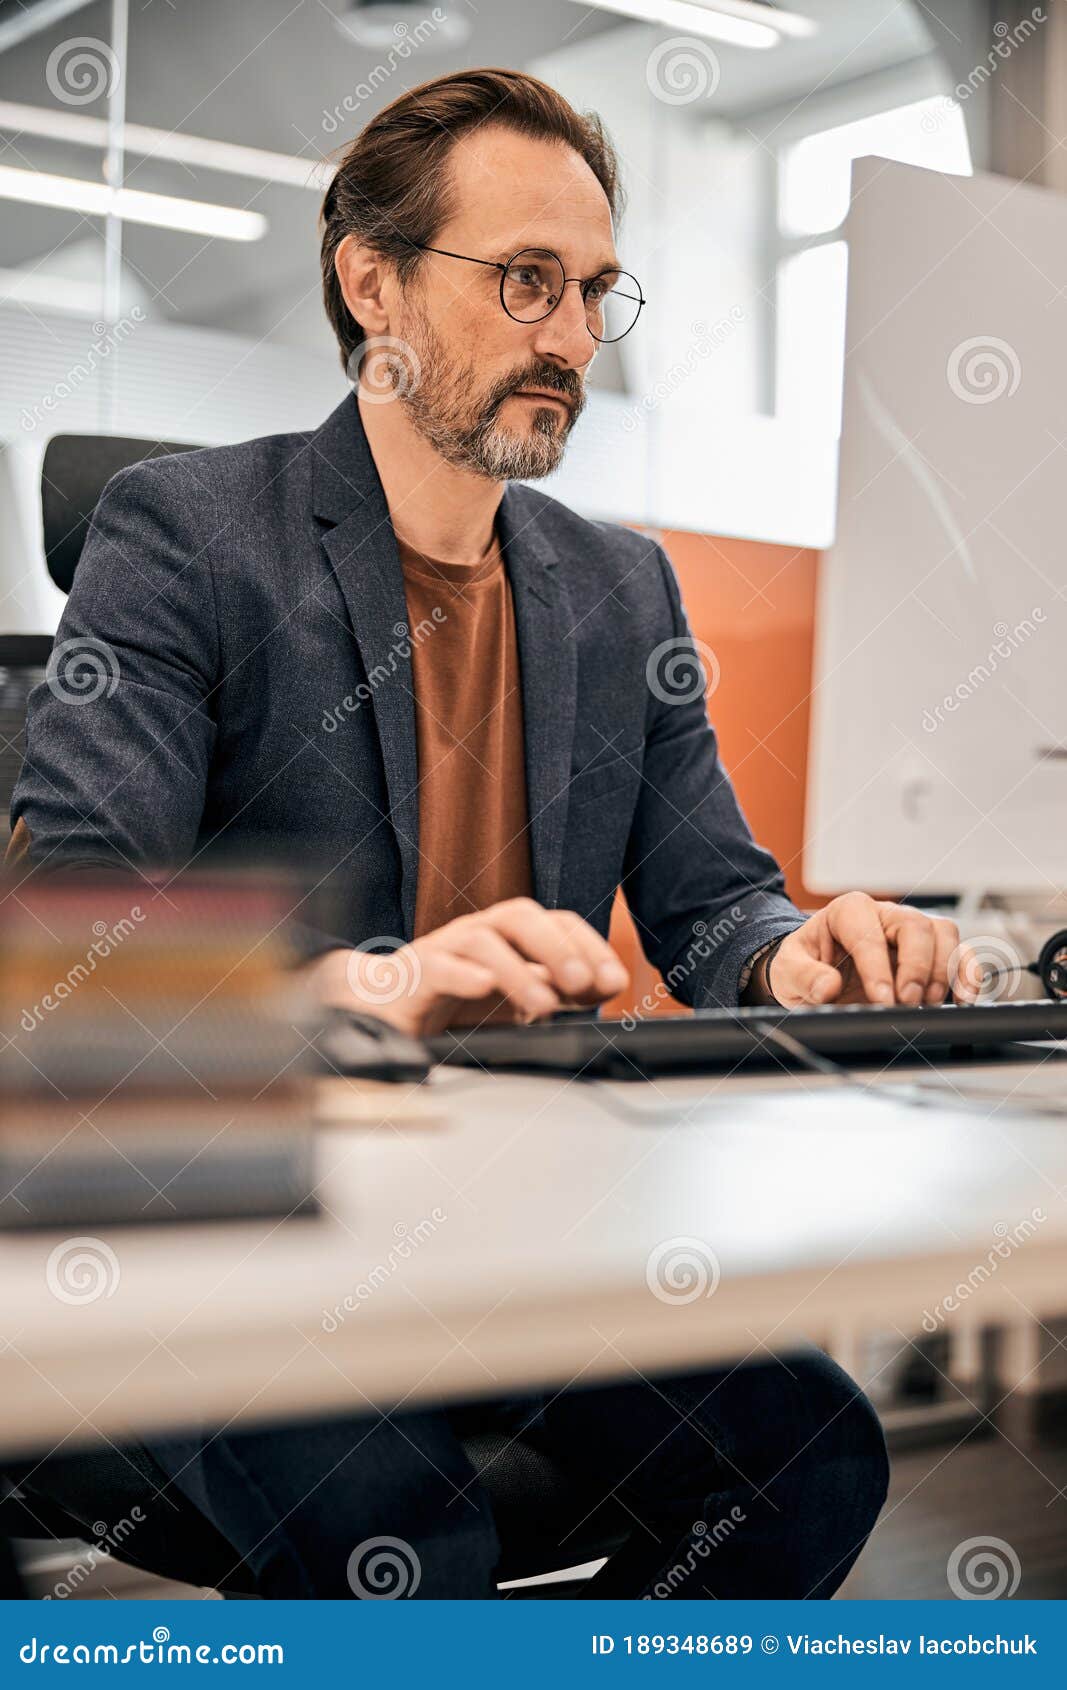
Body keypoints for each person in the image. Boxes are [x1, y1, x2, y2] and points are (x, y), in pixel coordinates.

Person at [11, 67, 979, 1599]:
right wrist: (383, 985)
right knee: (409, 1535)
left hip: (519, 1237)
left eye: (597, 291)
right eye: (528, 280)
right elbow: (70, 957)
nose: (574, 338)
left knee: (812, 1455)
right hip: (238, 1234)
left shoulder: (618, 591)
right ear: (372, 279)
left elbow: (714, 901)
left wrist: (805, 959)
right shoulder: (184, 535)